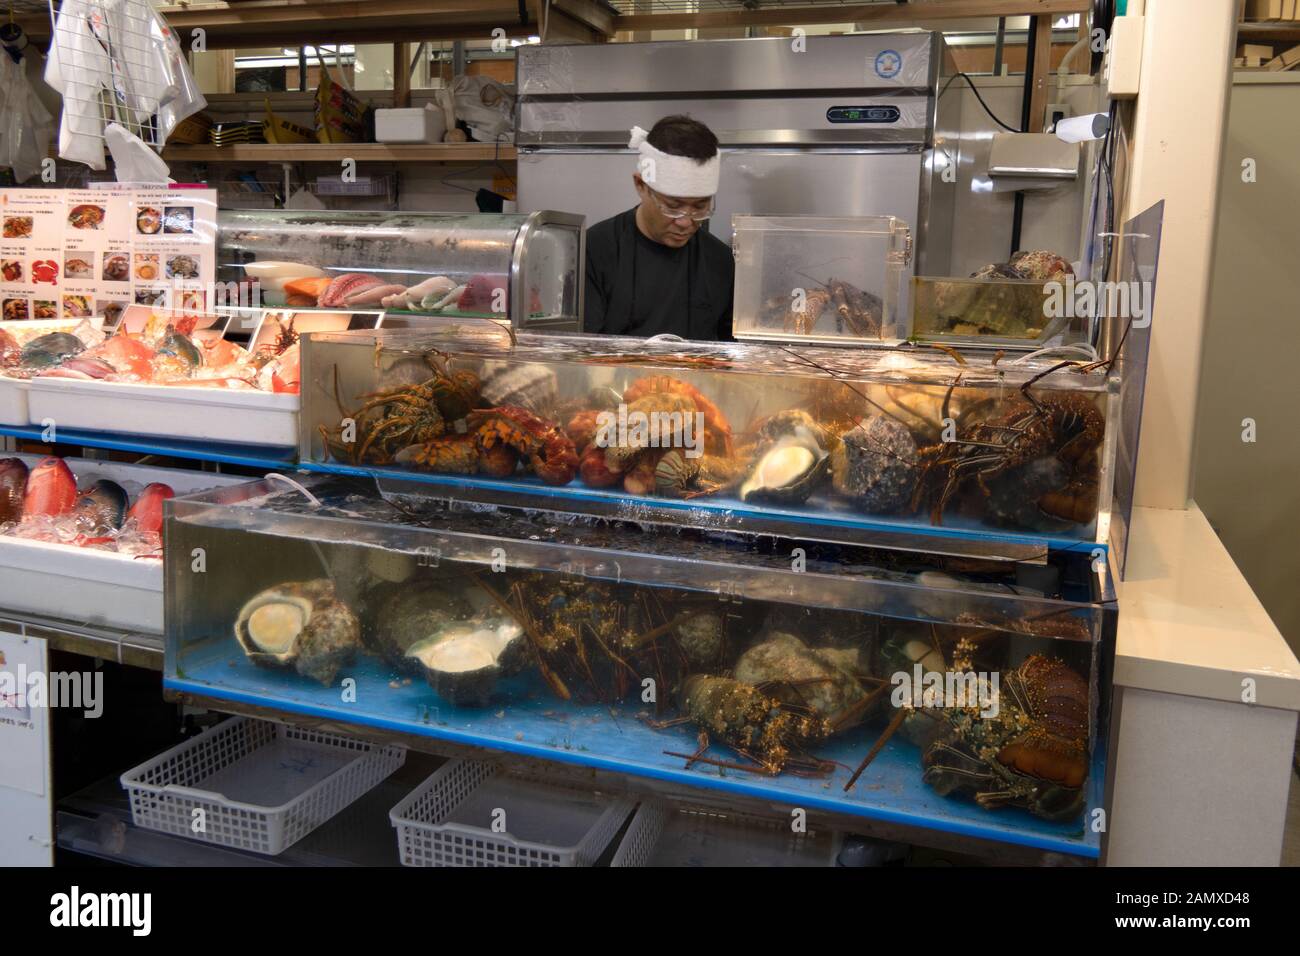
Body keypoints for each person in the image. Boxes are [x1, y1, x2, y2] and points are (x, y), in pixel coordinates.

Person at [584, 115, 734, 340]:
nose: (686, 221)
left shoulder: (720, 260)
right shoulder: (595, 250)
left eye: (700, 207)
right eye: (673, 207)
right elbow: (583, 352)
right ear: (641, 185)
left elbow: (728, 352)